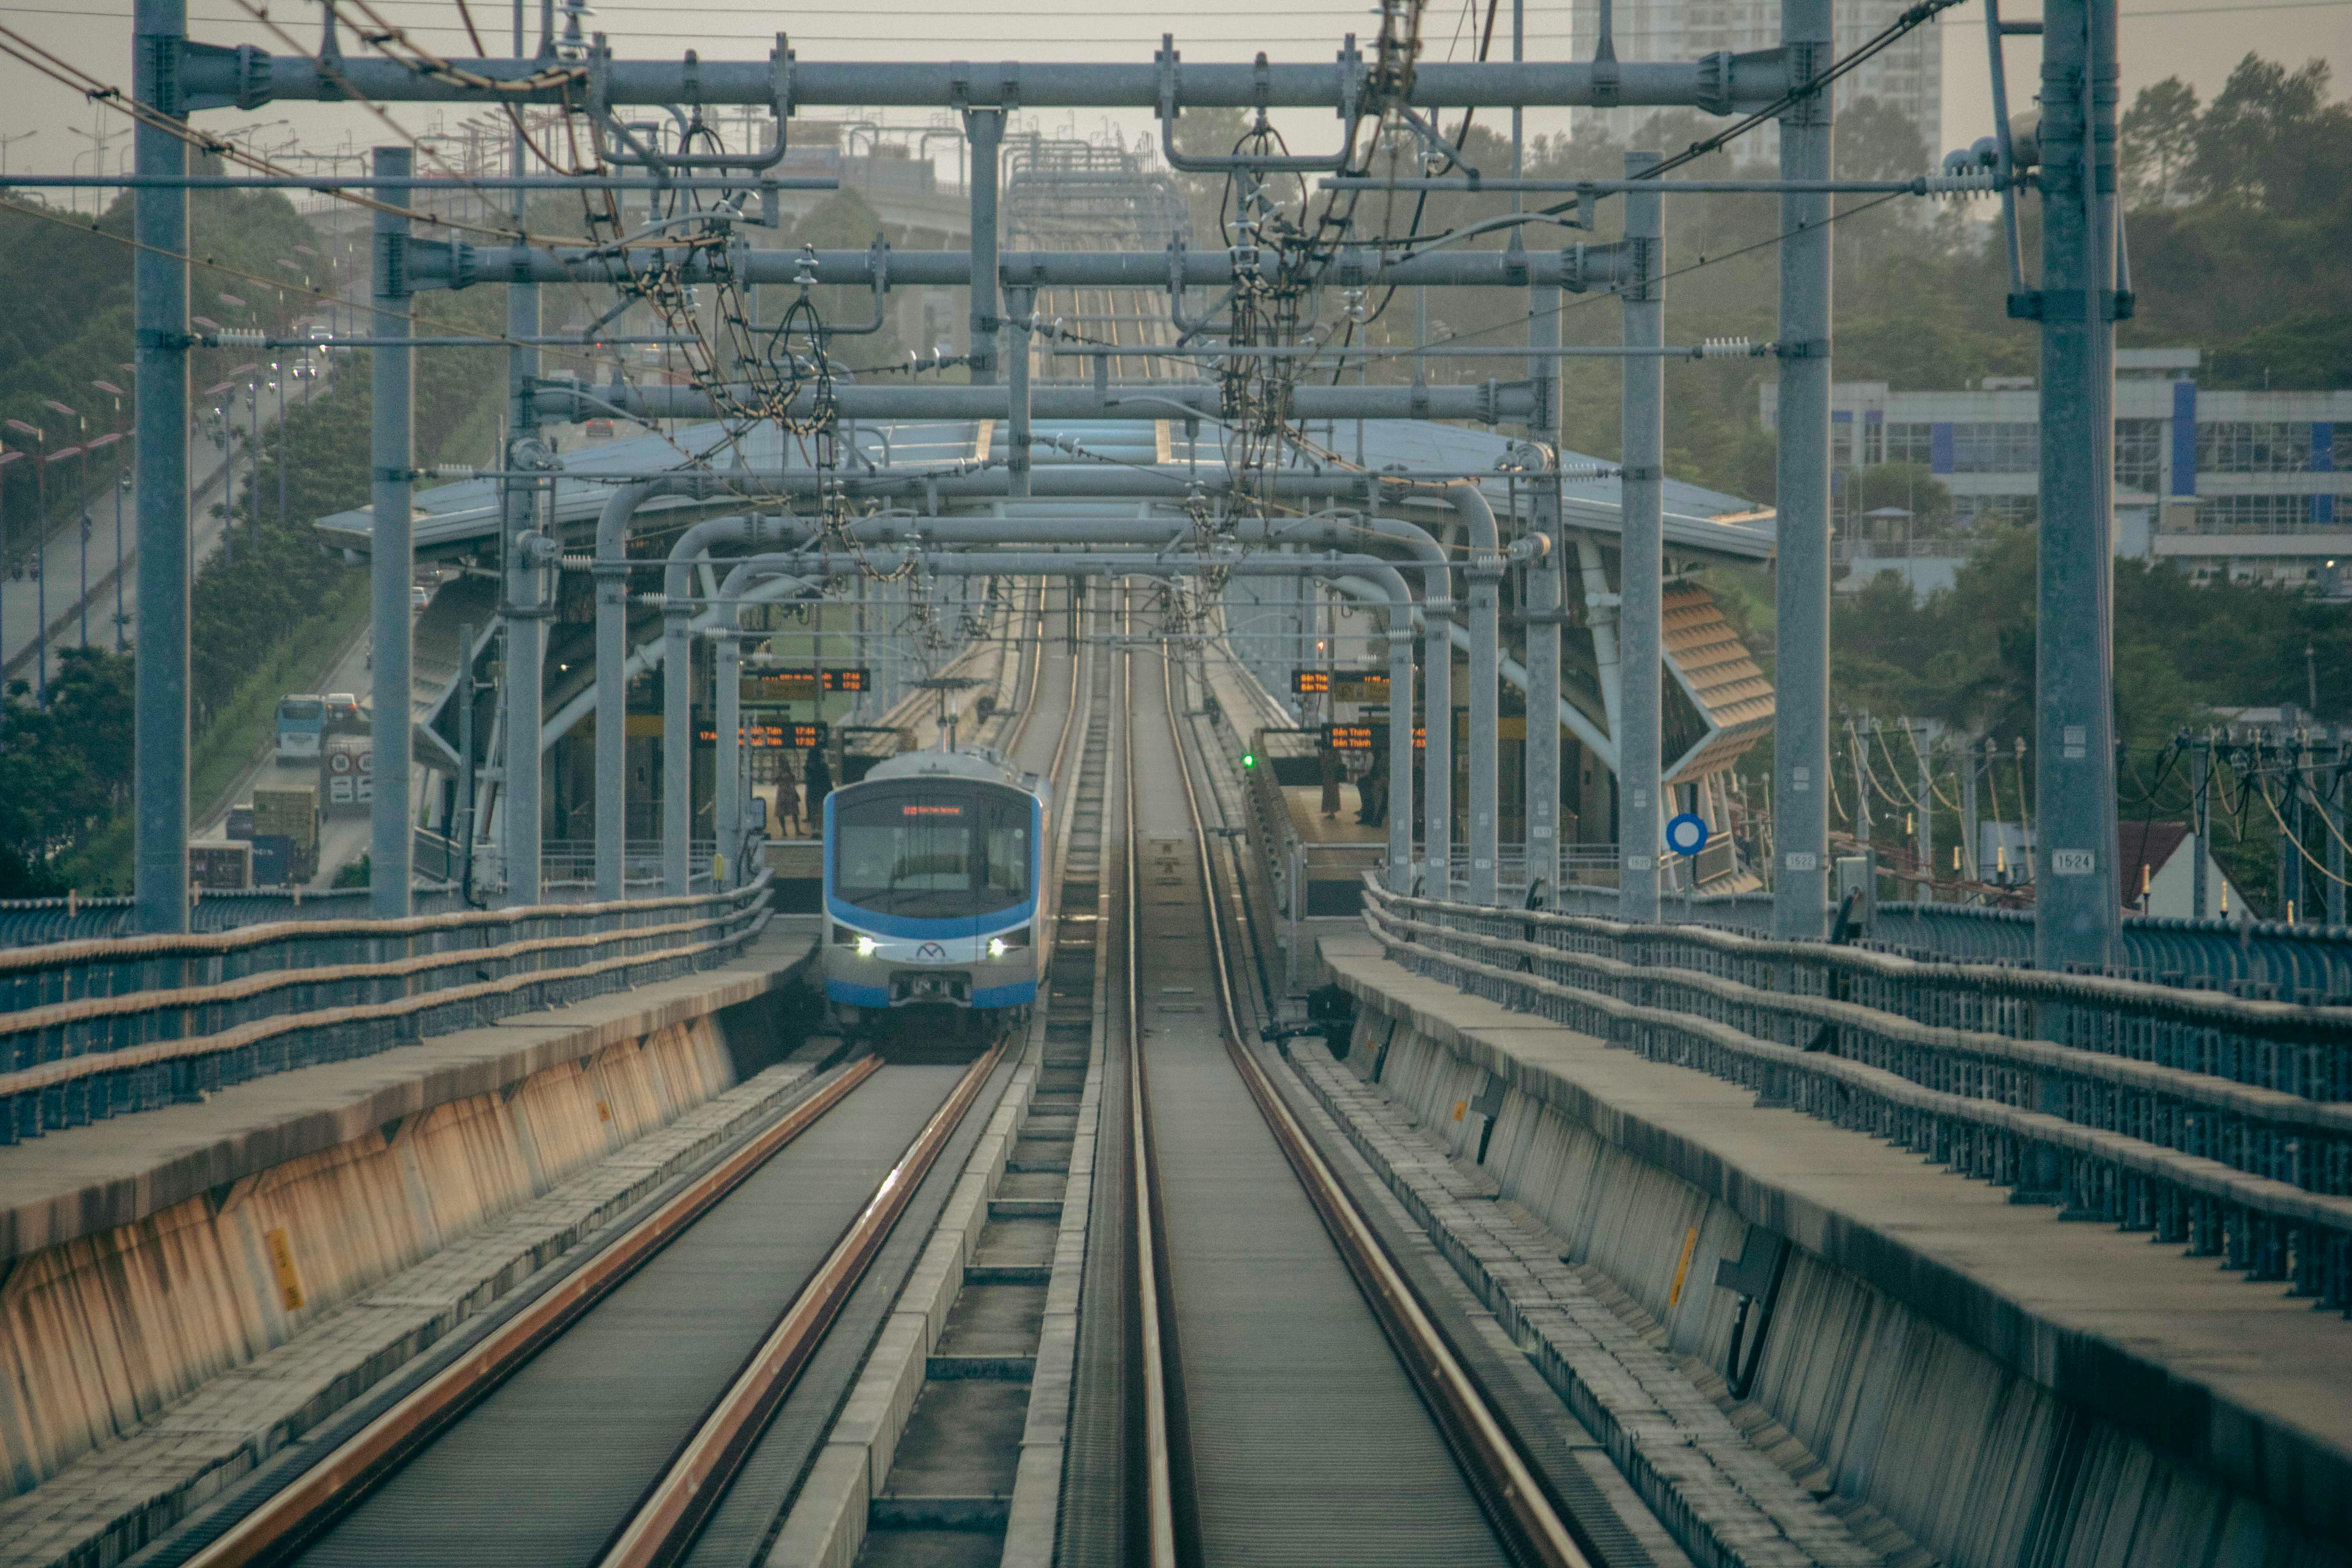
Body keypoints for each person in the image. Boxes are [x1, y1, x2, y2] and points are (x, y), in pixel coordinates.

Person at [803, 744, 834, 825]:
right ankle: (819, 828)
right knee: (821, 810)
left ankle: (813, 828)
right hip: (822, 789)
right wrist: (831, 790)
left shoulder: (808, 767)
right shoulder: (823, 766)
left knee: (813, 810)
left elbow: (806, 780)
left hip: (812, 789)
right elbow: (827, 779)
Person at [1318, 740, 1343, 820]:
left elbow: (1325, 764)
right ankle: (1332, 812)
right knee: (1333, 795)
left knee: (1330, 795)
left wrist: (1322, 755)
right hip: (1334, 777)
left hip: (1330, 777)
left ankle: (1331, 813)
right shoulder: (1337, 753)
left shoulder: (1330, 754)